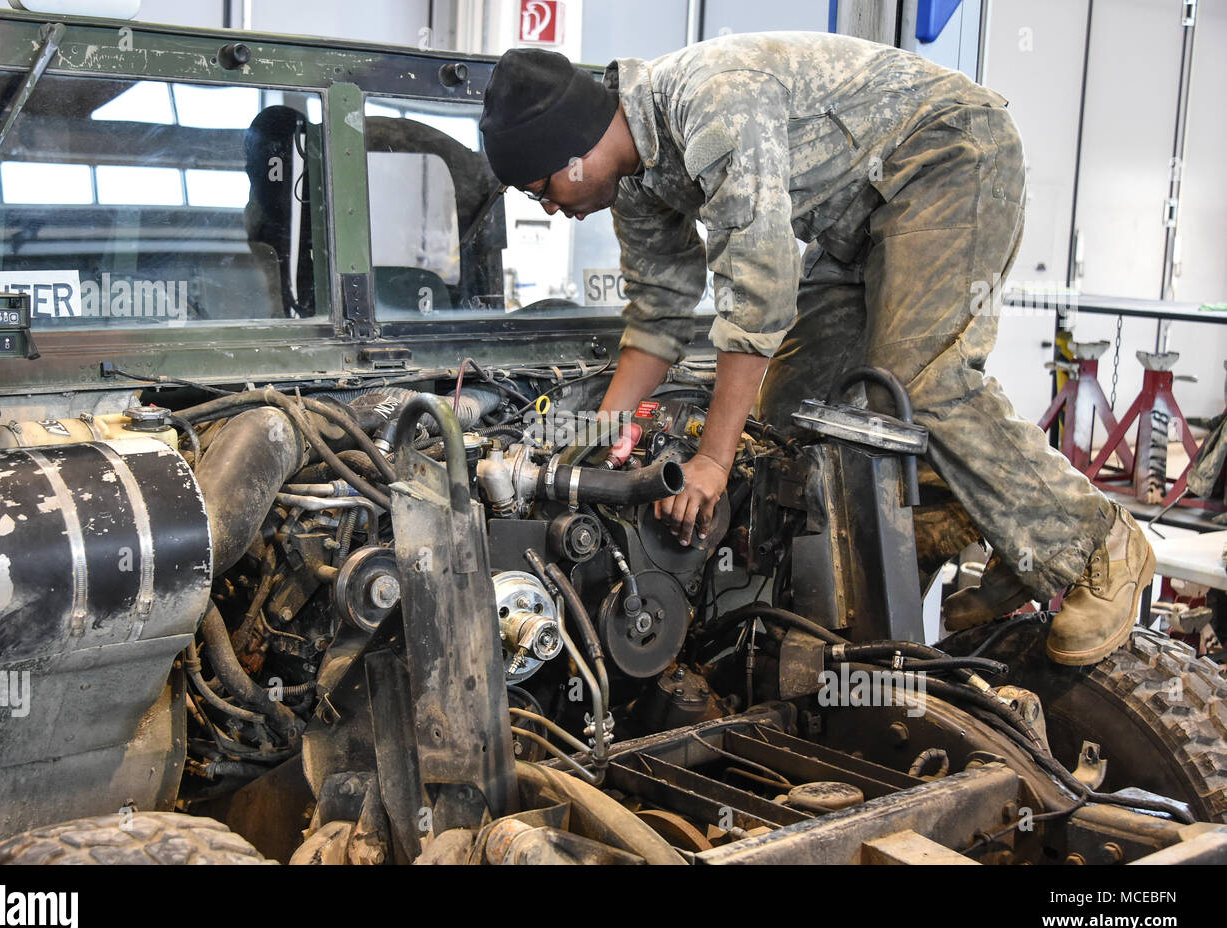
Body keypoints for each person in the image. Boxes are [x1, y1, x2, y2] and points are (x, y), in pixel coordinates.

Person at [477, 32, 1154, 666]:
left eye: (542, 190)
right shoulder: (634, 183)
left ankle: (1099, 546)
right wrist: (595, 440)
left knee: (919, 384)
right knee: (786, 428)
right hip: (854, 223)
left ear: (575, 150)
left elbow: (758, 297)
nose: (550, 209)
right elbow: (657, 320)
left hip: (946, 158)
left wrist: (711, 459)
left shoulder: (711, 103)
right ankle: (982, 518)